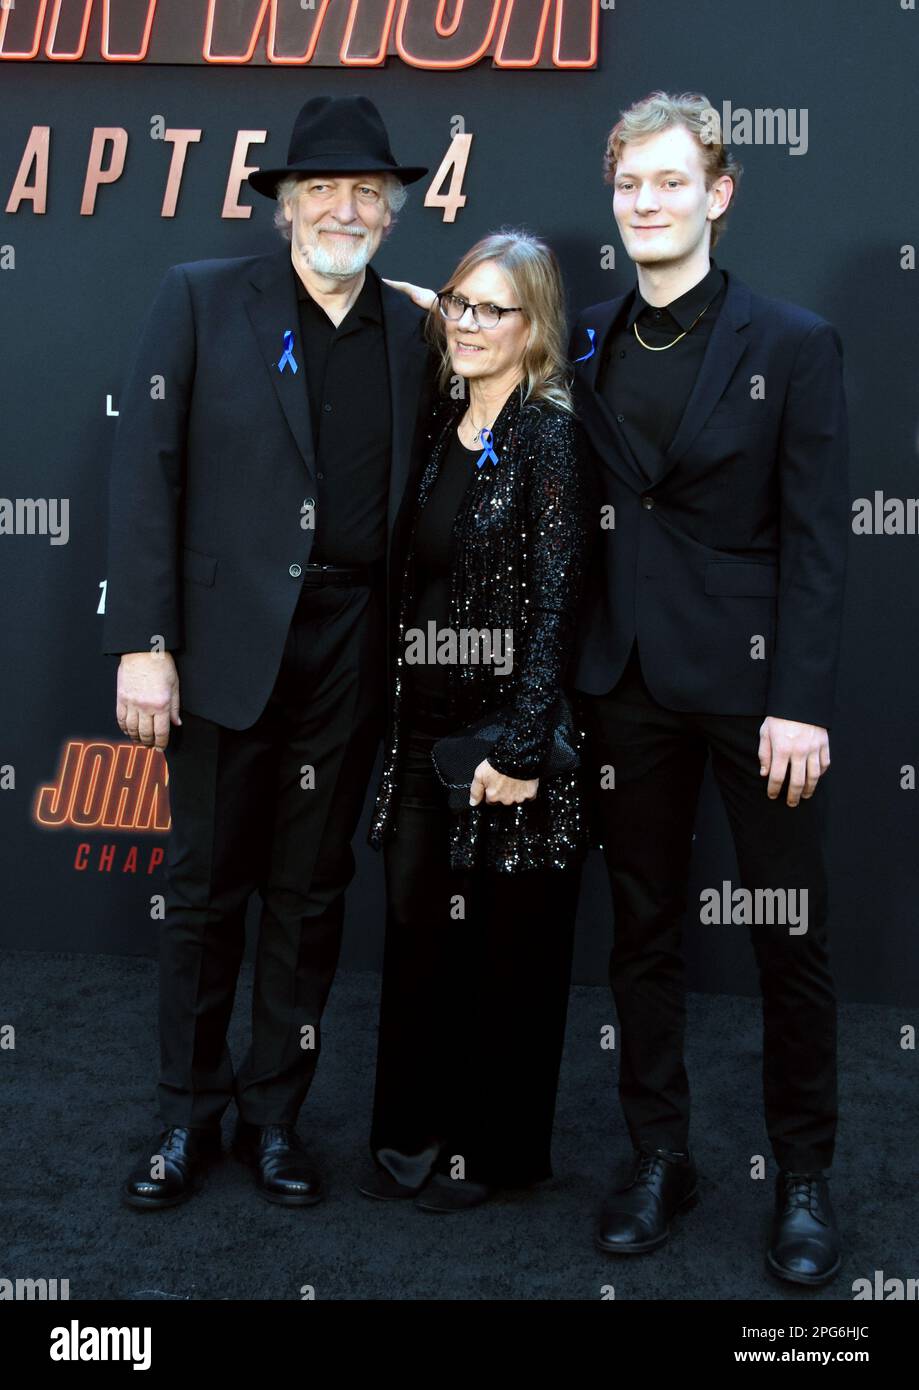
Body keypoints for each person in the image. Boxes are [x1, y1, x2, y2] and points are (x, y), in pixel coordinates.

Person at [103, 95, 430, 1209]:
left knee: (312, 891)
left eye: (366, 194)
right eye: (323, 189)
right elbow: (145, 473)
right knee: (204, 891)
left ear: (389, 214)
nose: (345, 208)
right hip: (222, 645)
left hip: (353, 646)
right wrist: (146, 643)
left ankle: (275, 1115)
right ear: (285, 203)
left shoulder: (420, 331)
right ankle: (188, 1118)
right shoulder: (200, 299)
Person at [569, 91, 849, 1284]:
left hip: (752, 695)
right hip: (622, 681)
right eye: (630, 185)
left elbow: (819, 539)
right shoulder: (585, 337)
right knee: (641, 933)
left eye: (671, 182)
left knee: (790, 938)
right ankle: (661, 1154)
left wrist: (800, 696)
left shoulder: (790, 342)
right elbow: (483, 348)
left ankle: (802, 1177)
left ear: (718, 195)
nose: (647, 203)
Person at [361, 232, 594, 1211]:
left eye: (491, 310)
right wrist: (433, 295)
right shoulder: (439, 418)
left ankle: (488, 1150)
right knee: (419, 935)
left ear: (534, 327)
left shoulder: (548, 435)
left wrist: (521, 744)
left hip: (503, 737)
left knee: (506, 953)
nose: (465, 324)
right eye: (456, 306)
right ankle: (411, 1135)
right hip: (422, 730)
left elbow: (555, 602)